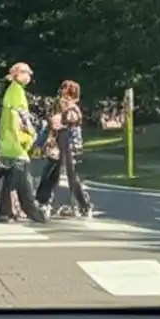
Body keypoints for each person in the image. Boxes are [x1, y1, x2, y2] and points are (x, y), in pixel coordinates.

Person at [0, 62, 47, 223]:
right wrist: (29, 134)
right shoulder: (17, 91)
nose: (29, 77)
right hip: (15, 144)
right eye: (26, 73)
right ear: (18, 74)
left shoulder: (12, 90)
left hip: (8, 142)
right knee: (23, 181)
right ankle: (32, 211)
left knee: (8, 180)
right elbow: (20, 116)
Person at [56, 79, 93, 218]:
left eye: (64, 90)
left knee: (72, 176)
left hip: (70, 145)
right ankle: (79, 204)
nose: (61, 93)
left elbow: (70, 124)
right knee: (69, 175)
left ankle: (82, 204)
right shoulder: (69, 107)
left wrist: (61, 121)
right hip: (69, 144)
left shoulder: (71, 108)